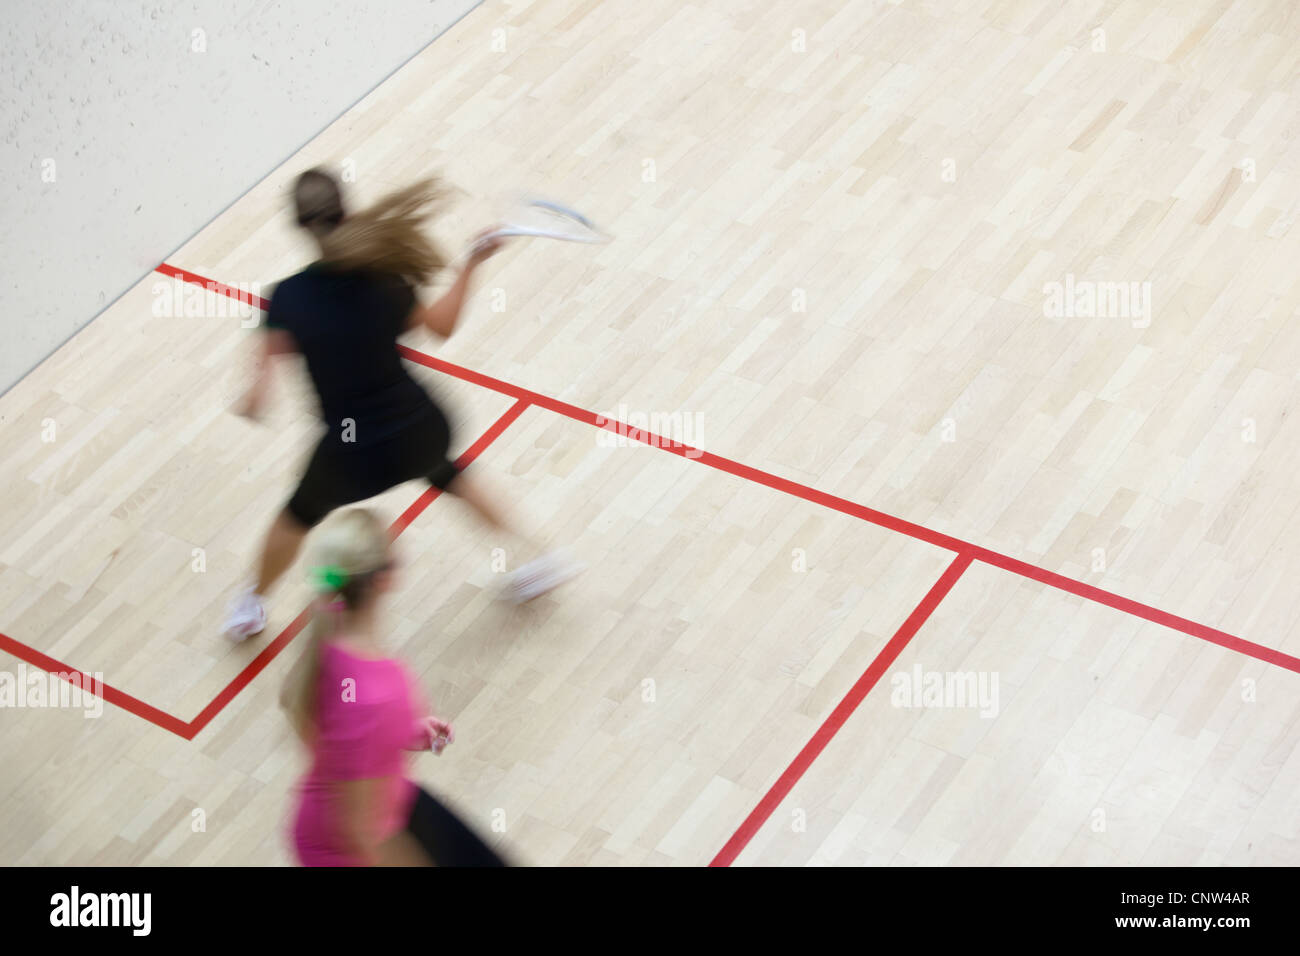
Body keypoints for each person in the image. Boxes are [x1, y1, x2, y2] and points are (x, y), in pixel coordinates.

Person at [225, 168, 579, 639]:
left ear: (298, 225)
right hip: (421, 428)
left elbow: (257, 398)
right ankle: (539, 561)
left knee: (297, 516)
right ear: (346, 212)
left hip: (351, 455)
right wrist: (472, 262)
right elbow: (441, 327)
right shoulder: (384, 277)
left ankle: (251, 605)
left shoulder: (286, 299)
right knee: (448, 474)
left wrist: (250, 398)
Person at [280, 508, 507, 866]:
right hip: (355, 849)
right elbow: (364, 833)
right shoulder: (379, 694)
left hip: (370, 808)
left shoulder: (329, 637)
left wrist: (399, 733)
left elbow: (338, 730)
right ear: (383, 579)